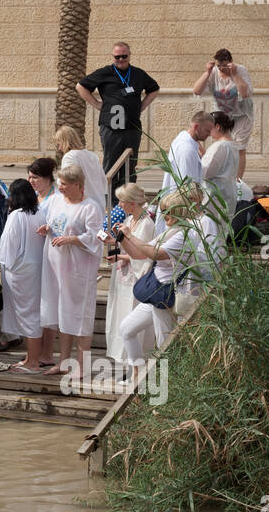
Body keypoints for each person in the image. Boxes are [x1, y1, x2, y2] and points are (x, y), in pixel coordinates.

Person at [114, 188, 209, 385]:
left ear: (180, 212)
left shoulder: (185, 234)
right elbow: (140, 254)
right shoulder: (170, 231)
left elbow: (156, 253)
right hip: (155, 293)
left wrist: (130, 235)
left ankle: (168, 385)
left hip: (166, 295)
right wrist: (123, 238)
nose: (164, 215)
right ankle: (139, 375)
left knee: (164, 343)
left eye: (168, 211)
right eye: (163, 211)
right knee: (127, 329)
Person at [38, 165, 105, 378]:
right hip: (57, 266)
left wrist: (73, 239)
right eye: (60, 183)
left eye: (65, 184)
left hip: (79, 270)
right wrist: (47, 229)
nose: (61, 187)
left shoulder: (90, 207)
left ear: (78, 185)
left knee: (80, 315)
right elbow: (55, 224)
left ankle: (82, 366)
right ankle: (64, 362)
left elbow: (95, 236)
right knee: (62, 313)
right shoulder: (57, 200)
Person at [77, 43, 161, 193]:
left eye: (124, 56)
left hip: (132, 128)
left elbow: (154, 89)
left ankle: (128, 197)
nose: (121, 59)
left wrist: (142, 105)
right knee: (111, 164)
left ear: (129, 55)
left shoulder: (138, 74)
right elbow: (80, 86)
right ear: (113, 57)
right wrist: (96, 104)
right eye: (117, 57)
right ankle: (110, 200)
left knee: (130, 165)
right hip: (111, 128)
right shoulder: (105, 73)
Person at [0, 179, 48, 371]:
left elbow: (9, 245)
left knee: (28, 315)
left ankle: (32, 362)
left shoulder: (17, 216)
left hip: (20, 271)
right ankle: (31, 358)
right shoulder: (41, 213)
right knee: (33, 313)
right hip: (37, 268)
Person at [102, 183, 154, 364]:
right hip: (123, 276)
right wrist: (113, 242)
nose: (119, 205)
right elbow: (129, 247)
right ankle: (125, 363)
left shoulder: (147, 223)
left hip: (136, 278)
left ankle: (136, 366)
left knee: (131, 317)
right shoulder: (129, 220)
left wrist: (122, 256)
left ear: (132, 203)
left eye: (122, 201)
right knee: (120, 315)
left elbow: (143, 254)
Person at [192, 49, 254, 178]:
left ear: (230, 62)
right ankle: (220, 175)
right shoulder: (214, 72)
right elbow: (197, 91)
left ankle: (238, 182)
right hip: (222, 116)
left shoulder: (240, 70)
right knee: (220, 144)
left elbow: (244, 93)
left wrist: (235, 74)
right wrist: (207, 72)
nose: (222, 69)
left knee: (239, 148)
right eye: (219, 65)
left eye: (225, 65)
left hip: (242, 115)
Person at [55, 127, 109, 213]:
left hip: (82, 205)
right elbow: (103, 180)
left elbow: (66, 180)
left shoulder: (69, 156)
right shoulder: (92, 155)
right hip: (99, 203)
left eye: (59, 143)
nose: (59, 148)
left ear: (65, 142)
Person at [201, 112, 240, 228]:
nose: (208, 133)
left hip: (215, 197)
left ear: (217, 127)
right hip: (228, 194)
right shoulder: (232, 145)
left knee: (211, 232)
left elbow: (207, 172)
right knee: (221, 233)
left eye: (209, 129)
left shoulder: (220, 146)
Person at [161, 110, 213, 197]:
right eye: (207, 131)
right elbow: (187, 186)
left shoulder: (184, 139)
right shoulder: (187, 149)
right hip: (181, 204)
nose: (209, 134)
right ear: (196, 127)